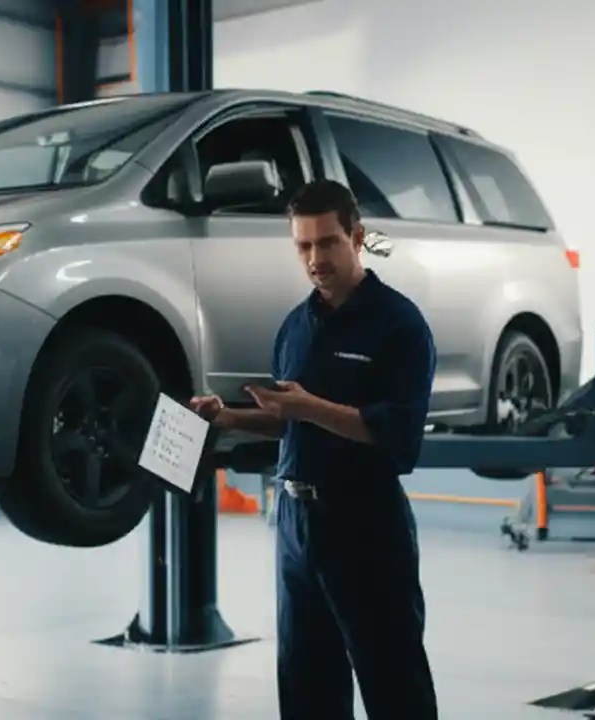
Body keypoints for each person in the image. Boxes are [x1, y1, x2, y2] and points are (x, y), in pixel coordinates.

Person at [189, 179, 439, 719]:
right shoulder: (295, 326)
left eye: (327, 243)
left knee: (394, 685)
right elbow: (291, 423)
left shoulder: (400, 326)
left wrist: (306, 407)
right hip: (296, 527)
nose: (314, 259)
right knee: (307, 689)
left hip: (365, 524)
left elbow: (397, 433)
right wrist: (227, 417)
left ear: (357, 237)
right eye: (303, 246)